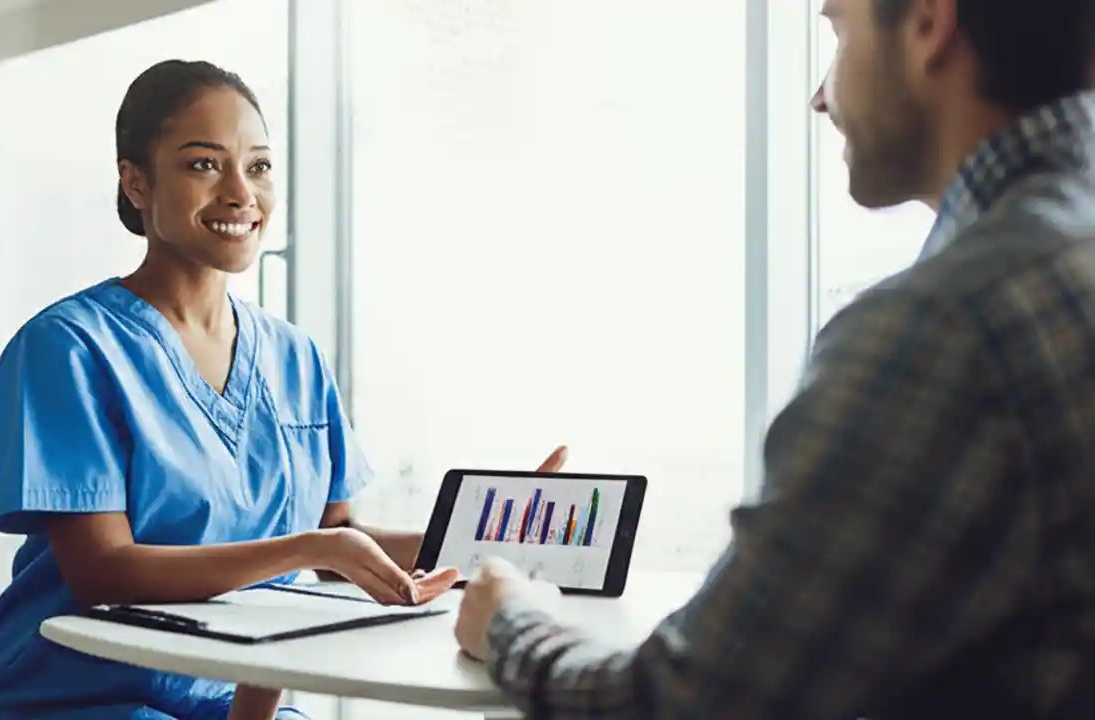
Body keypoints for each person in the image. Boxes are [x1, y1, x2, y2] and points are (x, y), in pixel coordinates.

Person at [455, 0, 1095, 717]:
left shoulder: (945, 326)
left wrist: (509, 618)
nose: (819, 96)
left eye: (837, 29)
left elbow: (689, 704)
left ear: (926, 23)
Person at [0, 59, 566, 720]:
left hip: (222, 697)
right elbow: (103, 571)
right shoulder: (69, 347)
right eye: (202, 165)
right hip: (75, 695)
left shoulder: (294, 357)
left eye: (260, 166)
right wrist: (310, 548)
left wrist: (484, 536)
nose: (241, 193)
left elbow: (341, 544)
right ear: (135, 182)